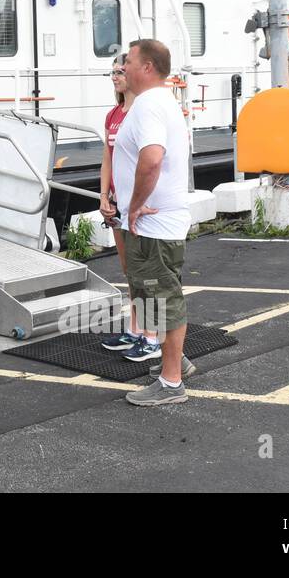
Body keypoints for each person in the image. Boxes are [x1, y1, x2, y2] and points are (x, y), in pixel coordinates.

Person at [110, 38, 194, 406]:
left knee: (162, 296)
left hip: (154, 224)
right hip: (150, 224)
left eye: (128, 61)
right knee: (147, 294)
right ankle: (175, 363)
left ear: (146, 67)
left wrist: (134, 205)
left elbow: (152, 159)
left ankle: (172, 383)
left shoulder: (147, 106)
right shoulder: (159, 101)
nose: (122, 68)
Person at [98, 54, 146, 351]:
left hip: (138, 203)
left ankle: (151, 336)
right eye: (112, 72)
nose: (115, 77)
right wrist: (104, 196)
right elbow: (107, 157)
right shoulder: (113, 115)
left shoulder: (141, 113)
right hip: (117, 202)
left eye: (119, 71)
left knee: (146, 272)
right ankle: (134, 329)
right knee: (129, 270)